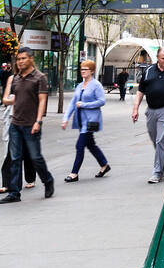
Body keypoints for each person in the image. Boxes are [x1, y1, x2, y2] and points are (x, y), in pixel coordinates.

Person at [0, 47, 54, 203]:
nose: (20, 61)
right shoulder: (15, 78)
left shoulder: (39, 78)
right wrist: (11, 100)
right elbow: (10, 99)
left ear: (31, 59)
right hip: (15, 124)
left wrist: (38, 121)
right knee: (15, 159)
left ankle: (48, 180)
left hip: (31, 124)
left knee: (35, 158)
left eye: (23, 58)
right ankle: (14, 193)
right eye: (18, 59)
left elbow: (42, 100)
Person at [131, 48, 164, 183]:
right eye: (163, 58)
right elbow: (140, 91)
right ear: (157, 58)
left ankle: (157, 172)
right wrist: (135, 108)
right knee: (155, 139)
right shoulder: (149, 71)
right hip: (151, 110)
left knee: (161, 140)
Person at [62, 59, 110, 181]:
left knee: (80, 145)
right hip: (81, 120)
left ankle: (74, 173)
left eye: (85, 69)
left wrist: (84, 104)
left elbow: (101, 101)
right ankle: (104, 165)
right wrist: (65, 118)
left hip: (91, 121)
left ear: (92, 71)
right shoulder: (79, 86)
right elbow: (73, 103)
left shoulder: (96, 85)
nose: (82, 71)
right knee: (91, 145)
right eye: (81, 69)